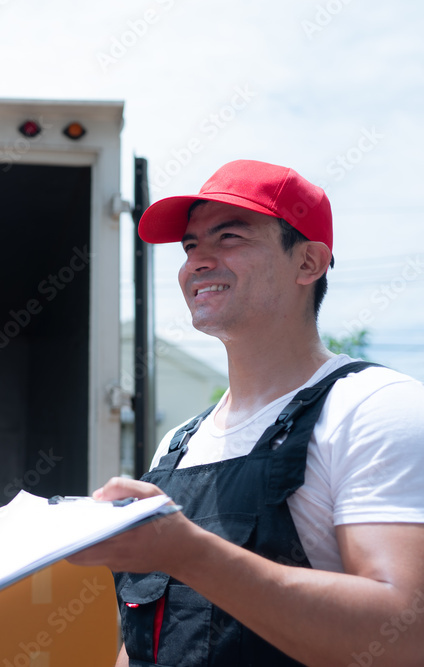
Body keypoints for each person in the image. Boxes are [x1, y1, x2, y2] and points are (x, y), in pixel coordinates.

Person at [68, 160, 424, 666]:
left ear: (308, 263)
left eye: (229, 237)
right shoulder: (178, 445)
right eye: (191, 246)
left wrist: (187, 552)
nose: (198, 261)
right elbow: (145, 639)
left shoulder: (374, 408)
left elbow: (405, 637)